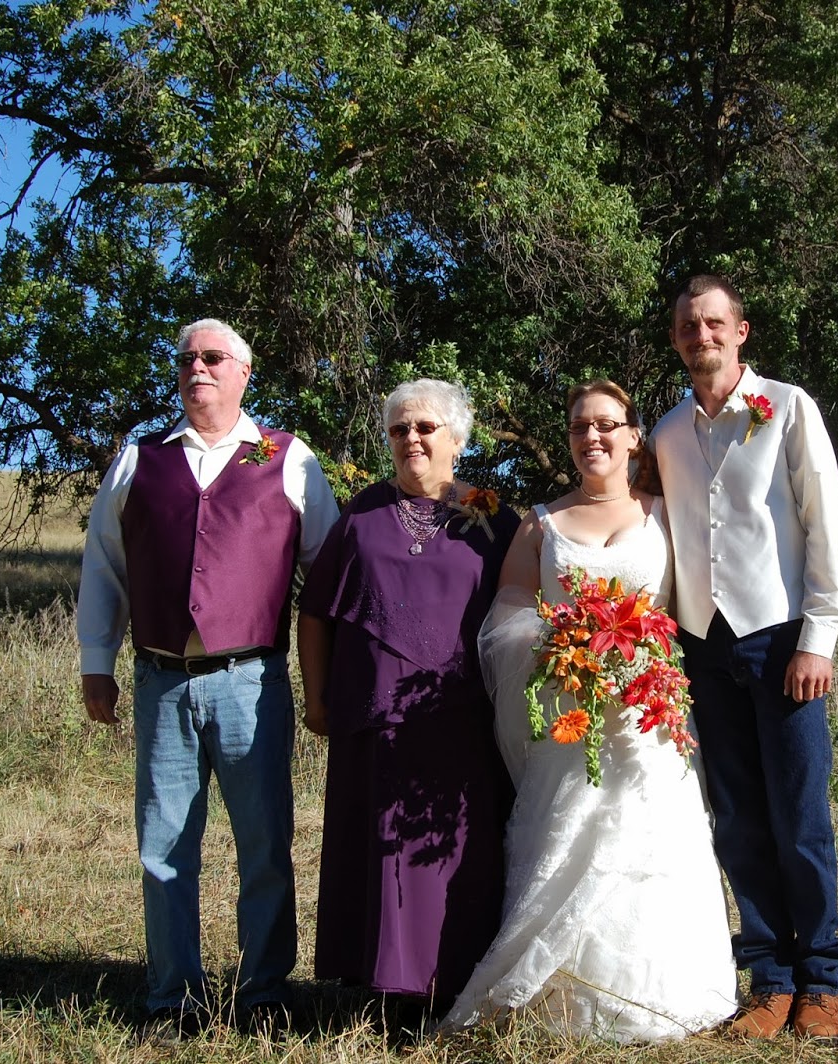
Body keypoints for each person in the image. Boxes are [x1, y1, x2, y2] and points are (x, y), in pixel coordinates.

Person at [443, 380, 736, 1043]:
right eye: (580, 427)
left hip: (648, 717)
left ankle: (659, 994)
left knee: (648, 845)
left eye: (607, 425)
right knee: (562, 839)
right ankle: (554, 999)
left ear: (635, 437)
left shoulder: (668, 513)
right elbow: (508, 612)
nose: (592, 437)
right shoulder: (540, 522)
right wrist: (564, 641)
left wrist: (639, 654)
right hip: (570, 713)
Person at [77, 318, 339, 1040]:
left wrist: (331, 678)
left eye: (213, 357)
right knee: (164, 846)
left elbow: (331, 571)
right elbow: (104, 568)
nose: (198, 367)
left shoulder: (287, 458)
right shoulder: (140, 460)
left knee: (265, 845)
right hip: (161, 682)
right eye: (188, 357)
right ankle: (173, 999)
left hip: (253, 682)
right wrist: (95, 664)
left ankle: (263, 995)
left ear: (243, 371)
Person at [652, 275, 838, 1041]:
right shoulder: (667, 432)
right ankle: (768, 977)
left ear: (741, 331)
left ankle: (822, 978)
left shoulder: (788, 407)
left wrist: (819, 636)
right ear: (675, 339)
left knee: (799, 814)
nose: (699, 335)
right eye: (686, 326)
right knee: (736, 817)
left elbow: (822, 518)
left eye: (712, 323)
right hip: (703, 645)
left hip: (780, 638)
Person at [297, 379, 519, 1030]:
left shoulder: (487, 508)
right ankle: (392, 988)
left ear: (456, 438)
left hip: (465, 717)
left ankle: (458, 982)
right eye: (399, 429)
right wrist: (315, 696)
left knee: (458, 852)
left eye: (424, 427)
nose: (411, 440)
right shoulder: (362, 512)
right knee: (388, 853)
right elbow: (316, 611)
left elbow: (527, 597)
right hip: (376, 713)